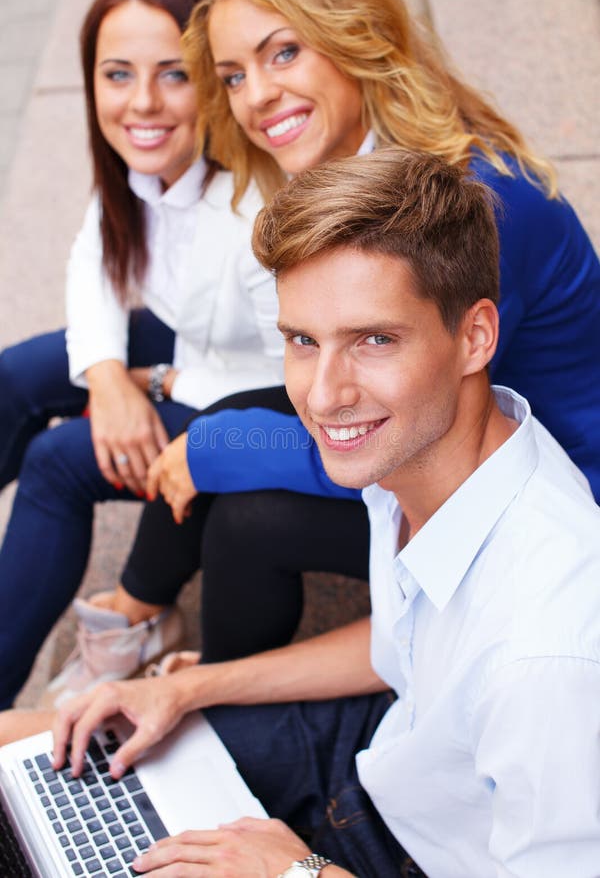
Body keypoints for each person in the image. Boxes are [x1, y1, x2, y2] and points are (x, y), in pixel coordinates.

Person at [12, 148, 600, 876]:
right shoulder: (437, 460)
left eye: (374, 340)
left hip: (412, 856)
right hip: (387, 760)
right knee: (24, 745)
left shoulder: (549, 656)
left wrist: (298, 874)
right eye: (302, 341)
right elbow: (405, 647)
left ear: (476, 336)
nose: (323, 396)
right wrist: (182, 687)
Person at [54, 0, 600, 688]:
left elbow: (407, 439)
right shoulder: (349, 164)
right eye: (232, 76)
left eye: (283, 53)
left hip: (547, 489)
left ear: (355, 38)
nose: (255, 96)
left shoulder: (475, 208)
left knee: (249, 518)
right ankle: (152, 635)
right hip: (442, 419)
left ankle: (219, 710)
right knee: (192, 413)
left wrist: (218, 452)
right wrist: (207, 427)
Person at [0, 0, 285, 711]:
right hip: (202, 341)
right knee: (19, 375)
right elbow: (91, 262)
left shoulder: (255, 209)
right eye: (117, 74)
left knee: (59, 463)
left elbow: (293, 382)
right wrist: (105, 377)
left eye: (174, 75)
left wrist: (156, 386)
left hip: (264, 395)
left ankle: (91, 641)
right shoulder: (139, 165)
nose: (142, 104)